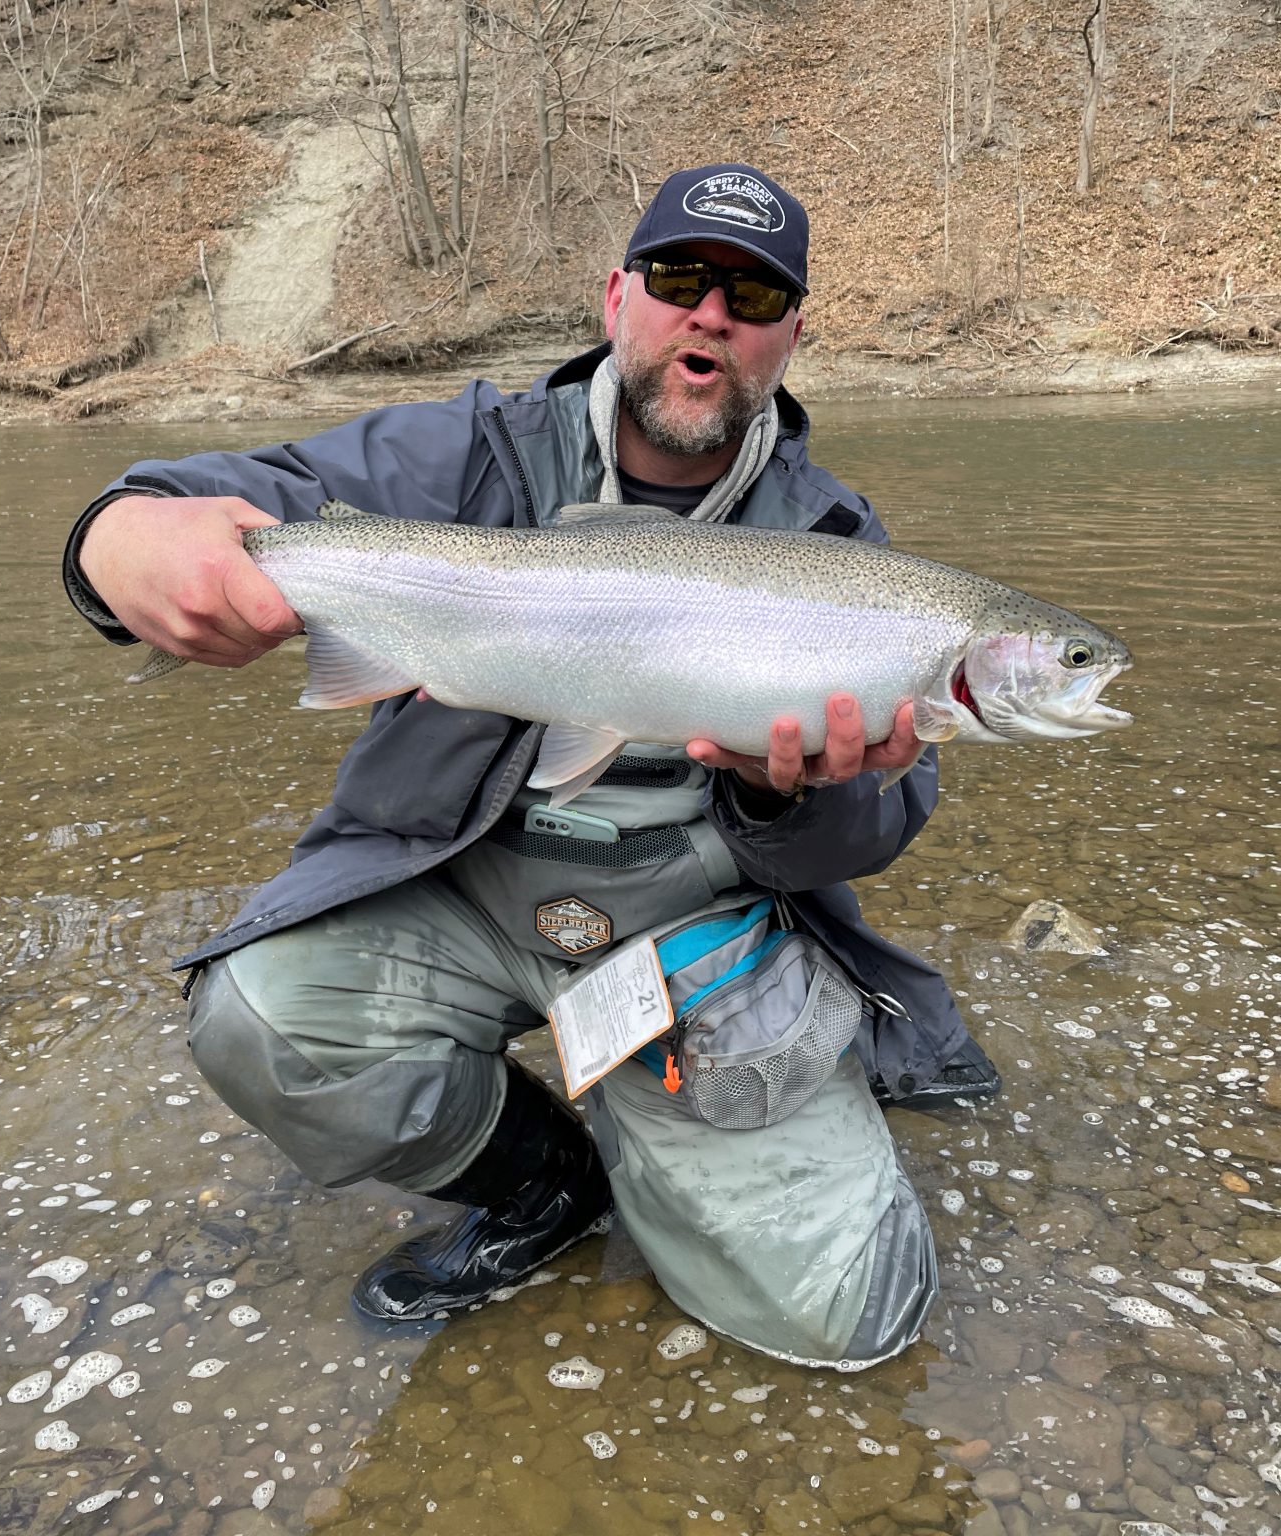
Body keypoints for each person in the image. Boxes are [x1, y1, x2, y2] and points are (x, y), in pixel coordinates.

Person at [63, 163, 1000, 1367]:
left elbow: (876, 830)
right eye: (678, 279)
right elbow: (221, 497)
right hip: (462, 889)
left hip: (699, 938)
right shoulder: (469, 455)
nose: (710, 313)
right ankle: (544, 1180)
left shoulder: (842, 551)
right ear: (618, 298)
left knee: (845, 1315)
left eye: (754, 297)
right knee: (263, 1022)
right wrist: (117, 536)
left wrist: (793, 791)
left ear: (791, 338)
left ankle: (675, 1139)